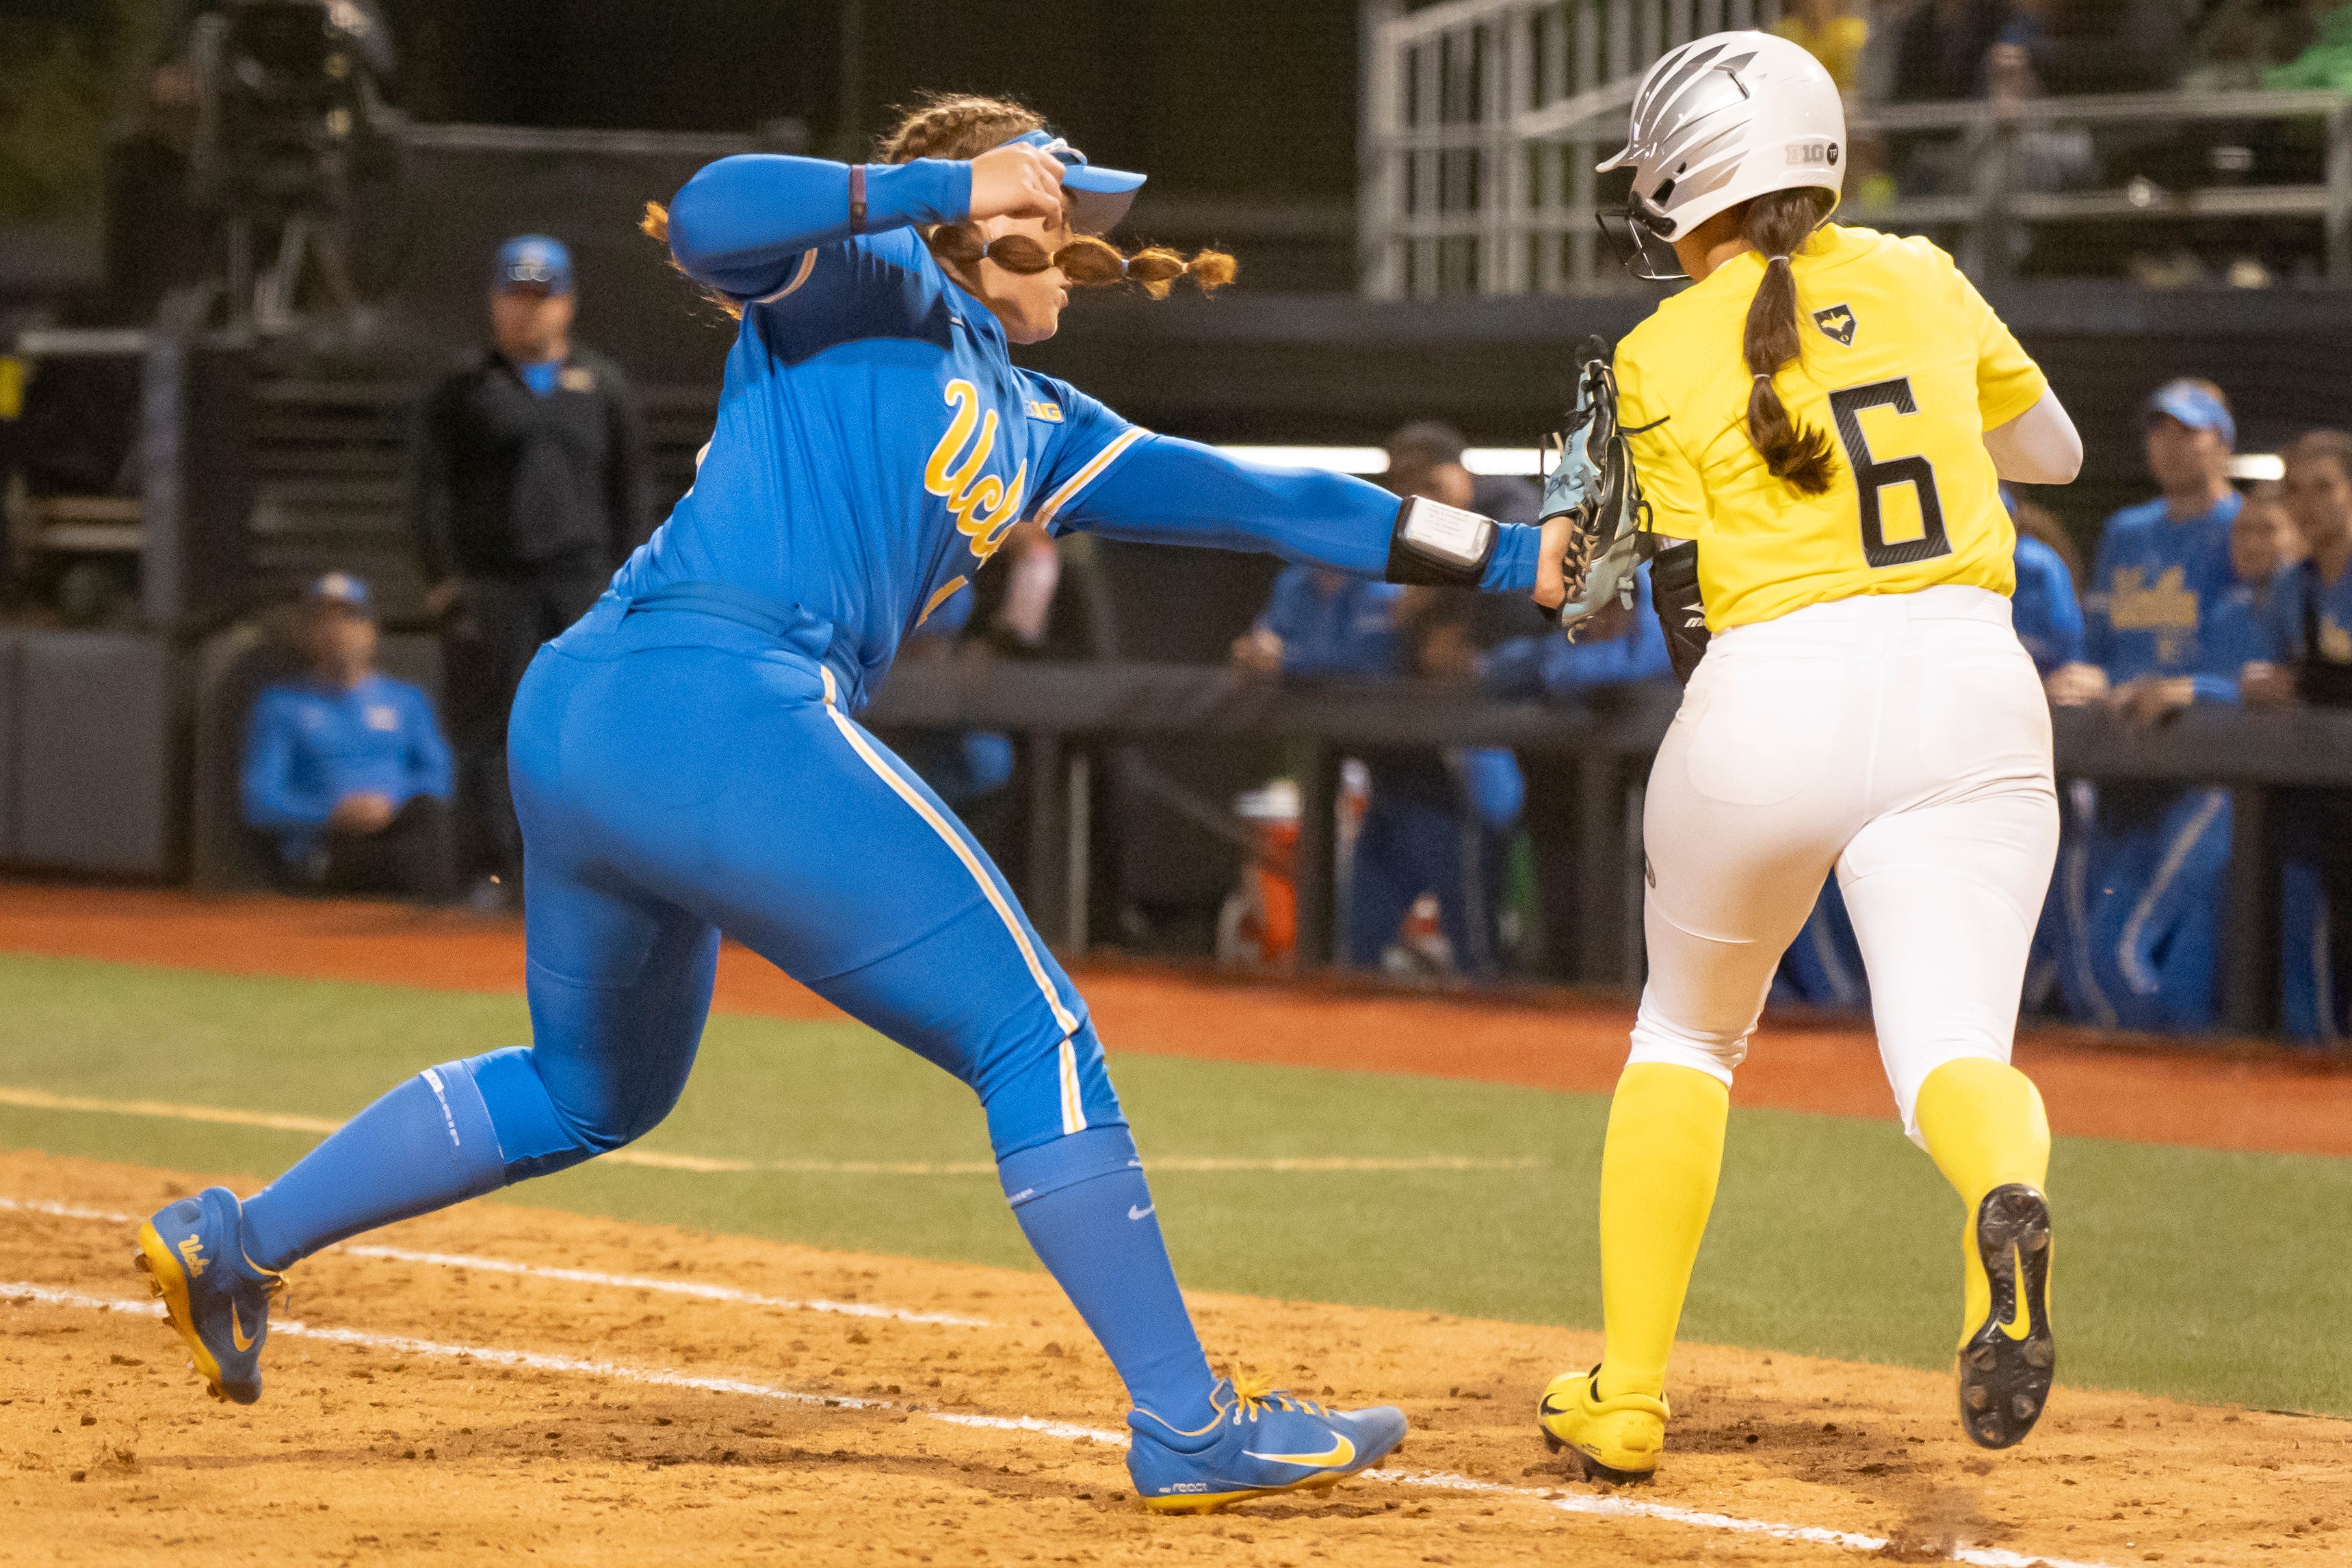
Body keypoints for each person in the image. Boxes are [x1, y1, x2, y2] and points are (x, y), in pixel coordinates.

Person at [135, 93, 1570, 1515]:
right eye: (1052, 214)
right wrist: (929, 190)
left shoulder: (1048, 424)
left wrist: (1513, 560)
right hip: (717, 692)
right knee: (1035, 1029)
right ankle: (1189, 1423)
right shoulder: (863, 278)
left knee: (592, 1092)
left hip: (598, 713)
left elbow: (1280, 508)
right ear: (976, 216)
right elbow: (708, 212)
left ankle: (237, 1241)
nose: (1076, 246)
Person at [1534, 31, 2082, 1483]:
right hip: (1971, 675)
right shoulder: (1919, 272)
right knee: (1956, 1052)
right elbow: (2059, 457)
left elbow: (1608, 588)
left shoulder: (1654, 354)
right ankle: (2005, 1193)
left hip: (1776, 686)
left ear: (1683, 180)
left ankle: (1629, 1392)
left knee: (1689, 1035)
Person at [413, 235, 653, 909]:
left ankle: (585, 875)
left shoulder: (602, 388)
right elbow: (428, 492)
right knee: (492, 730)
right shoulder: (463, 389)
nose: (528, 313)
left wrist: (629, 589)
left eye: (541, 298)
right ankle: (491, 874)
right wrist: (442, 583)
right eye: (515, 297)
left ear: (568, 303)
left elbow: (629, 492)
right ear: (494, 301)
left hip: (582, 586)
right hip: (494, 585)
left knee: (584, 733)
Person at [2049, 380, 2251, 1032]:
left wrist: (2195, 688)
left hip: (2209, 778)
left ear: (2221, 442)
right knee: (2089, 962)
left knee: (2129, 956)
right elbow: (2100, 646)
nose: (2169, 446)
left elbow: (2256, 650)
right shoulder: (2126, 531)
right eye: (2158, 431)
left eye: (2188, 431)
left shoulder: (2244, 528)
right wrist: (2084, 675)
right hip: (2125, 769)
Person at [1232, 564, 1523, 978]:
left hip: (1459, 799)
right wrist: (1264, 655)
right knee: (1357, 957)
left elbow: (1364, 661)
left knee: (1477, 968)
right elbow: (1266, 645)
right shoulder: (1297, 584)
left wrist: (1289, 660)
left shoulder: (1384, 582)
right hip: (1390, 795)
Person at [239, 572, 456, 902]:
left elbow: (440, 778)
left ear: (371, 631)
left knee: (431, 823)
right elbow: (261, 799)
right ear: (307, 633)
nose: (337, 631)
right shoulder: (281, 705)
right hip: (327, 847)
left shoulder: (407, 701)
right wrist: (331, 813)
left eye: (350, 618)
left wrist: (390, 804)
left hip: (398, 836)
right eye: (324, 620)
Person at [2241, 430, 2352, 1045]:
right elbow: (2266, 673)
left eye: (2326, 487)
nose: (2309, 503)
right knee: (2307, 942)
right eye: (2296, 490)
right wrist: (2258, 685)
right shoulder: (2292, 587)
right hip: (2313, 803)